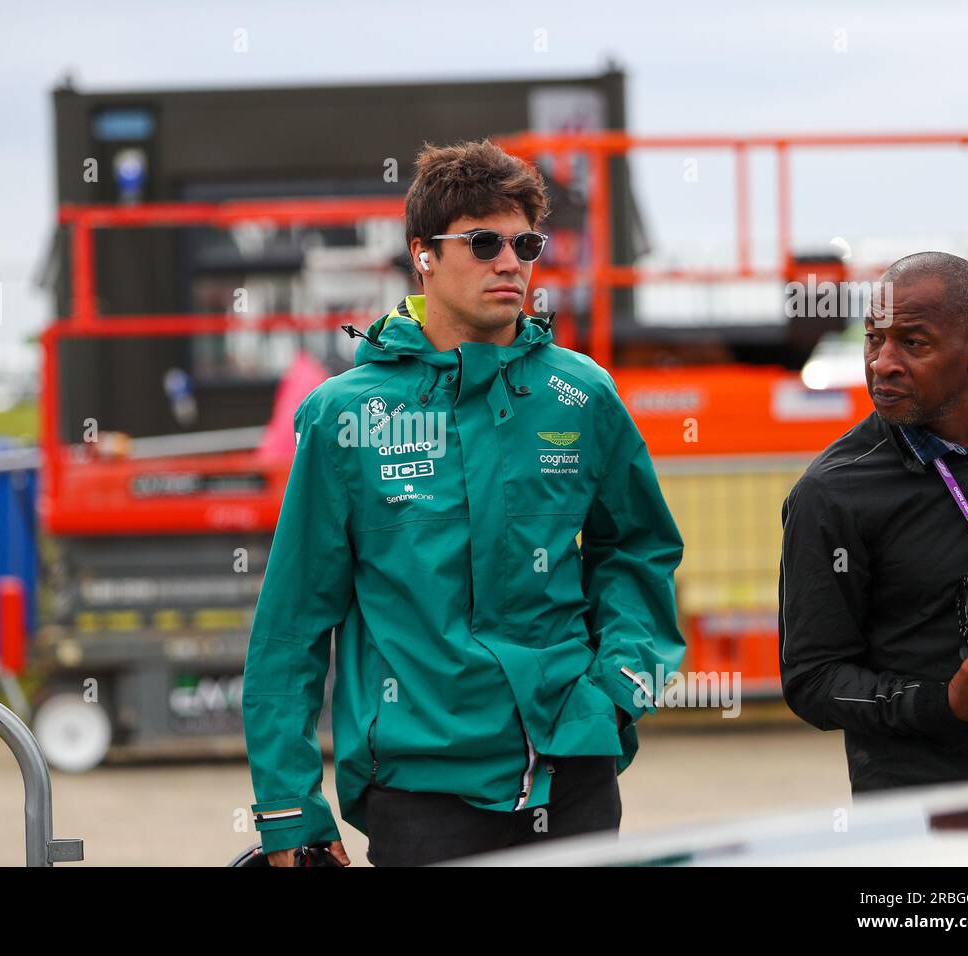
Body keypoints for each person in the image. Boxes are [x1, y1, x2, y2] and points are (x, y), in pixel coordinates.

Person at [242, 140, 686, 866]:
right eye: (483, 243)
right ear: (422, 254)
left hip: (573, 769)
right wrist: (289, 808)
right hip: (422, 788)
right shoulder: (344, 416)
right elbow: (292, 623)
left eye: (525, 244)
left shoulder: (582, 394)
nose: (510, 262)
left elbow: (638, 549)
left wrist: (616, 689)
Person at [779, 251, 968, 792]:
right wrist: (944, 703)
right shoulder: (832, 493)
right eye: (874, 339)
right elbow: (812, 679)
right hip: (925, 812)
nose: (882, 363)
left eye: (913, 343)